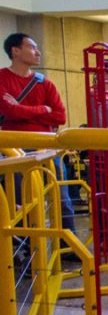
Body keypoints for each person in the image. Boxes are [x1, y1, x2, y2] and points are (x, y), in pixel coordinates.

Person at [1, 33, 78, 243]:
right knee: (21, 199)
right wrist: (43, 109)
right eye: (32, 47)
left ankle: (69, 244)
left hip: (46, 147)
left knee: (61, 197)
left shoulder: (45, 83)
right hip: (15, 150)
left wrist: (22, 109)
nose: (38, 52)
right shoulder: (2, 79)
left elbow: (60, 116)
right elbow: (9, 111)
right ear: (15, 51)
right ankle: (25, 247)